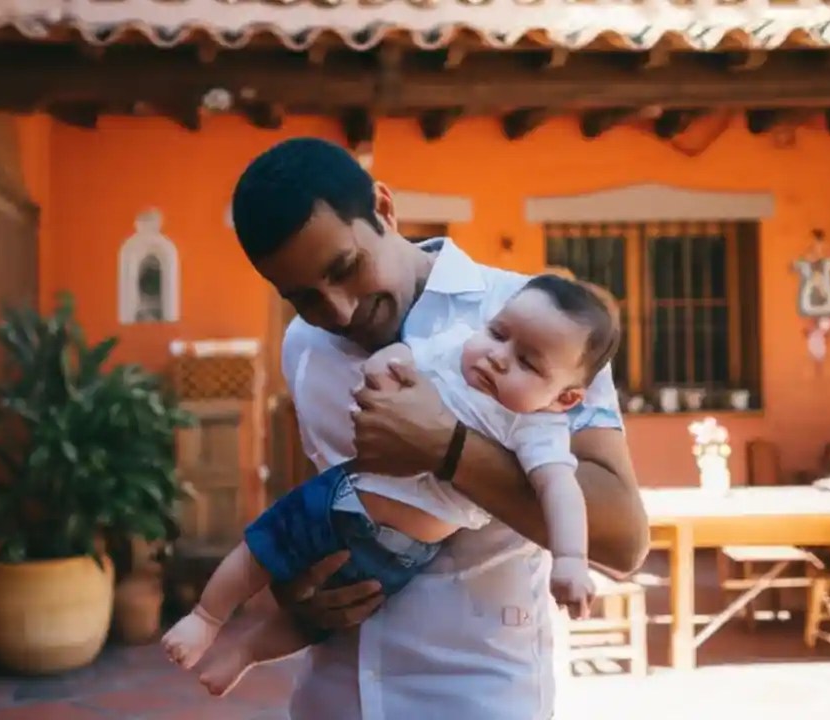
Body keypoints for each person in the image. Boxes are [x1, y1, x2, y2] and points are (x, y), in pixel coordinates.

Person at [195, 137, 649, 720]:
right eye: (303, 297)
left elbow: (622, 538)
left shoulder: (537, 325)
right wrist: (299, 594)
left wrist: (448, 448)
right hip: (336, 696)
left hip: (477, 695)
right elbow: (333, 508)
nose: (337, 311)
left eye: (345, 268)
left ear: (384, 208)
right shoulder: (303, 349)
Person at [162, 273, 621, 694]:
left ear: (565, 398)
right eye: (498, 333)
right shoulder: (451, 350)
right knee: (260, 550)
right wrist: (388, 364)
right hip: (342, 494)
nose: (499, 358)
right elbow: (406, 352)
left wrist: (571, 559)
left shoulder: (535, 428)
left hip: (399, 550)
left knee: (330, 616)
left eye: (527, 362)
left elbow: (560, 491)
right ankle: (206, 617)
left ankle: (246, 654)